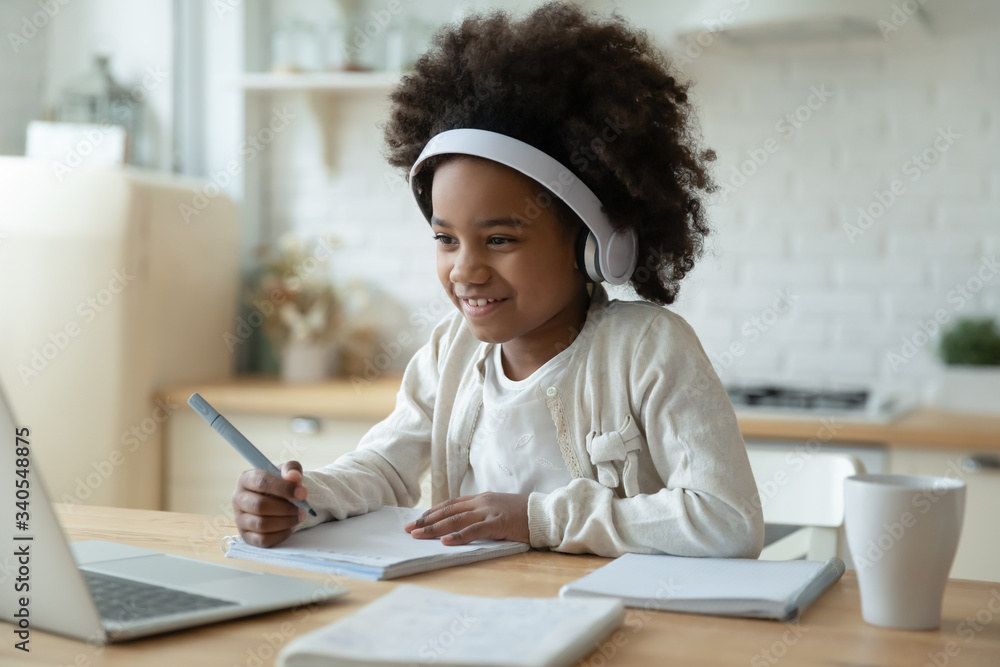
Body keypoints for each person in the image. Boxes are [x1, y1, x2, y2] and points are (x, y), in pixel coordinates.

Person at [231, 2, 764, 559]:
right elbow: (387, 467)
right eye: (446, 239)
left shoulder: (648, 350)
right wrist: (306, 495)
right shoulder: (448, 352)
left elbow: (727, 522)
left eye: (500, 240)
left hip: (619, 626)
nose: (465, 270)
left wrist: (535, 519)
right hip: (478, 620)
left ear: (592, 245)